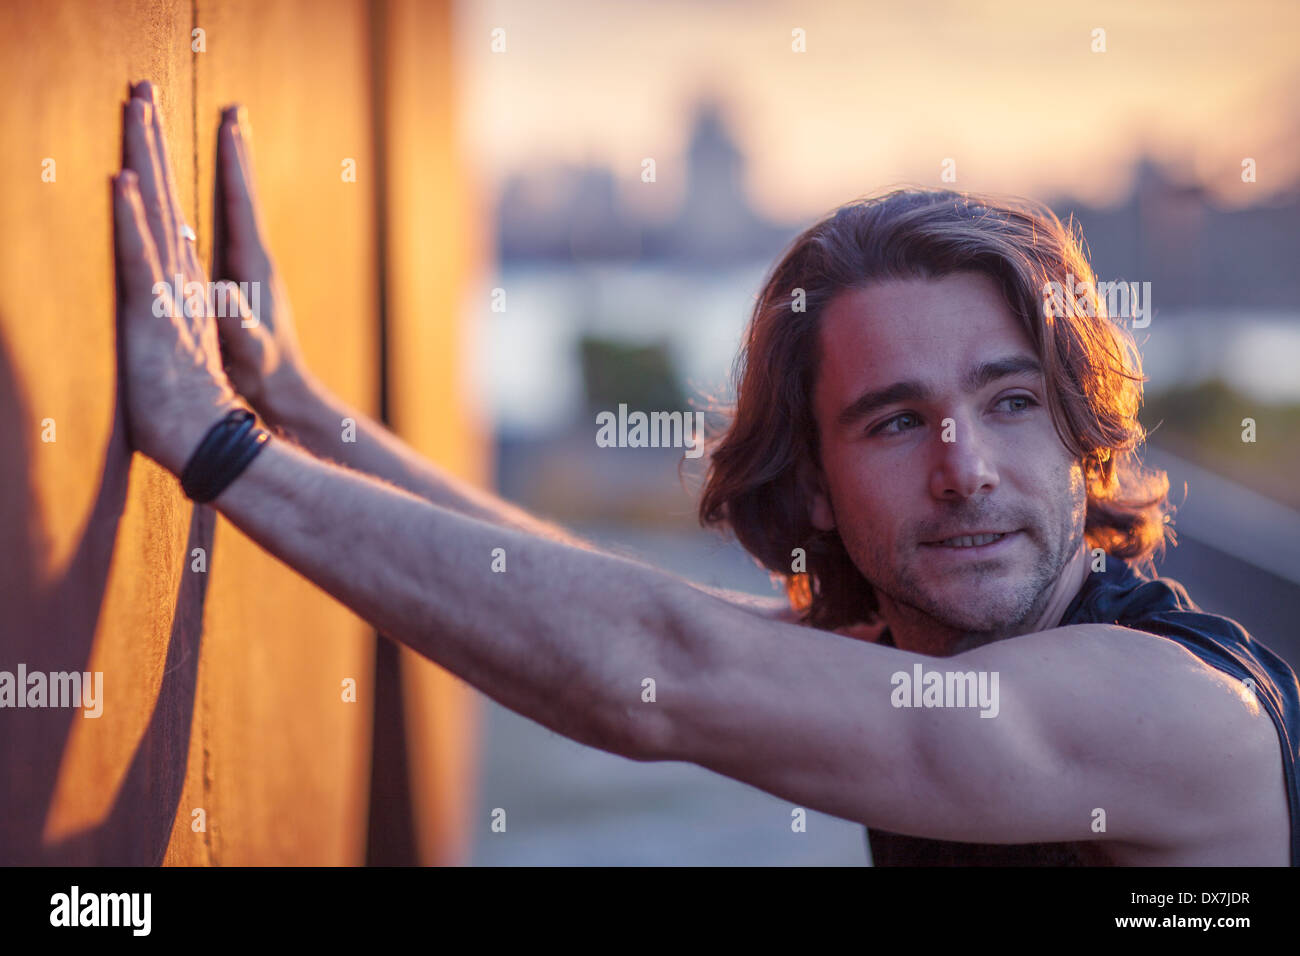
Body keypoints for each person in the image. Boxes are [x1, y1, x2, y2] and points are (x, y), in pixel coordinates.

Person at [113, 80, 1299, 865]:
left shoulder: (1173, 712)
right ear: (817, 484)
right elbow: (638, 611)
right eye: (895, 421)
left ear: (1084, 433)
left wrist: (218, 445)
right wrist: (302, 411)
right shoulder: (928, 651)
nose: (964, 469)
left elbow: (665, 671)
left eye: (1010, 402)